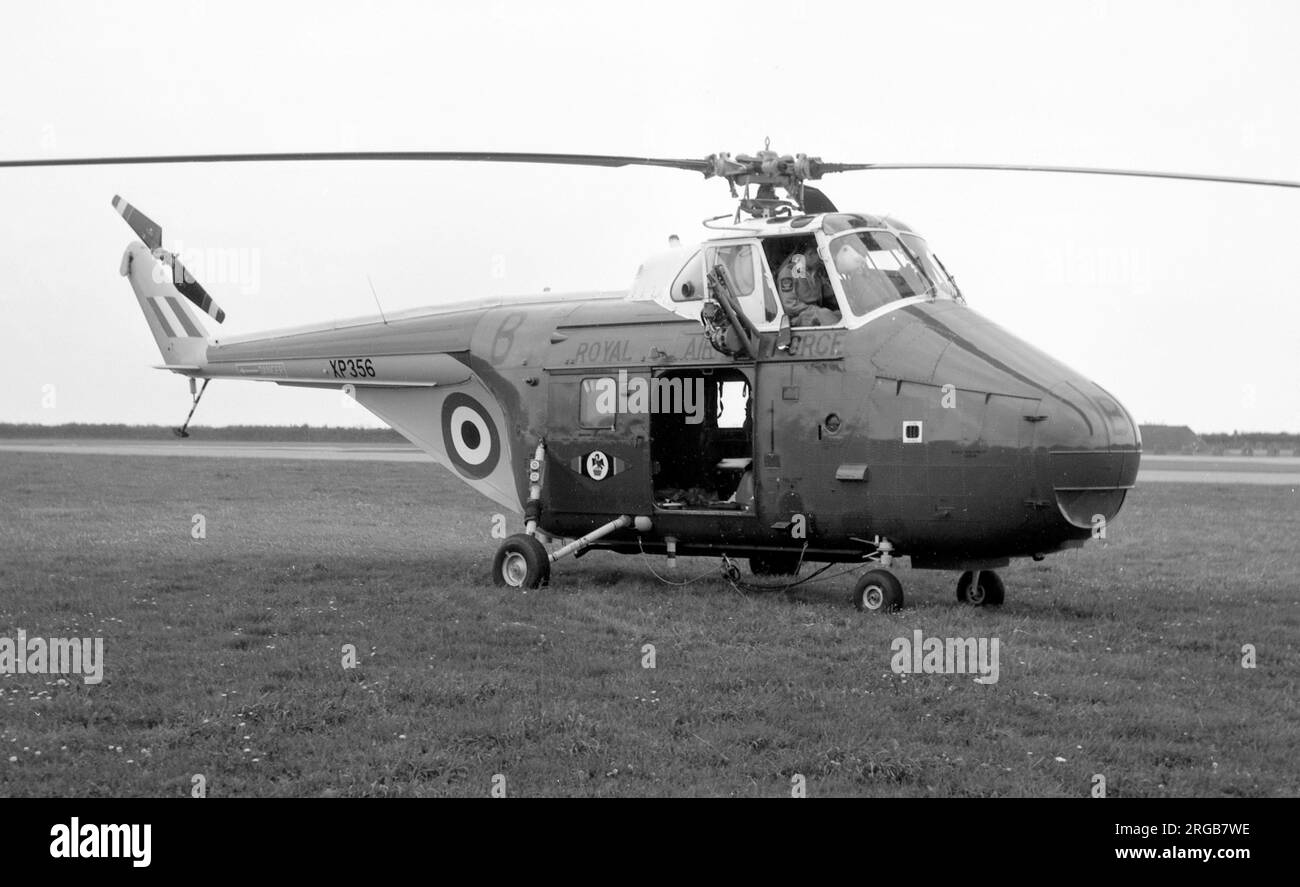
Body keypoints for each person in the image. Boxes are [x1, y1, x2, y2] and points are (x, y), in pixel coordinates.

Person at [776, 247, 840, 326]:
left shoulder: (815, 272)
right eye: (819, 258)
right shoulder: (788, 272)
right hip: (798, 318)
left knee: (840, 315)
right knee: (824, 314)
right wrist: (815, 310)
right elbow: (790, 305)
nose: (821, 262)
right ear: (810, 254)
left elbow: (830, 295)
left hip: (817, 313)